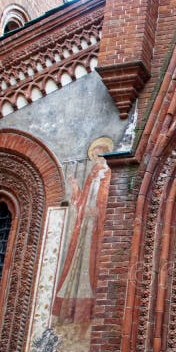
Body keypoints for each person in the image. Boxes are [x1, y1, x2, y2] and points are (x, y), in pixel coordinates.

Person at [53, 137, 113, 323]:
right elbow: (81, 201)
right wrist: (74, 187)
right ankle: (69, 309)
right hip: (85, 224)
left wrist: (99, 210)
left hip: (97, 226)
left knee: (93, 261)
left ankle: (91, 309)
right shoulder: (92, 175)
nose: (97, 160)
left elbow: (109, 200)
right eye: (95, 156)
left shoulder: (109, 174)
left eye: (100, 155)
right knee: (77, 262)